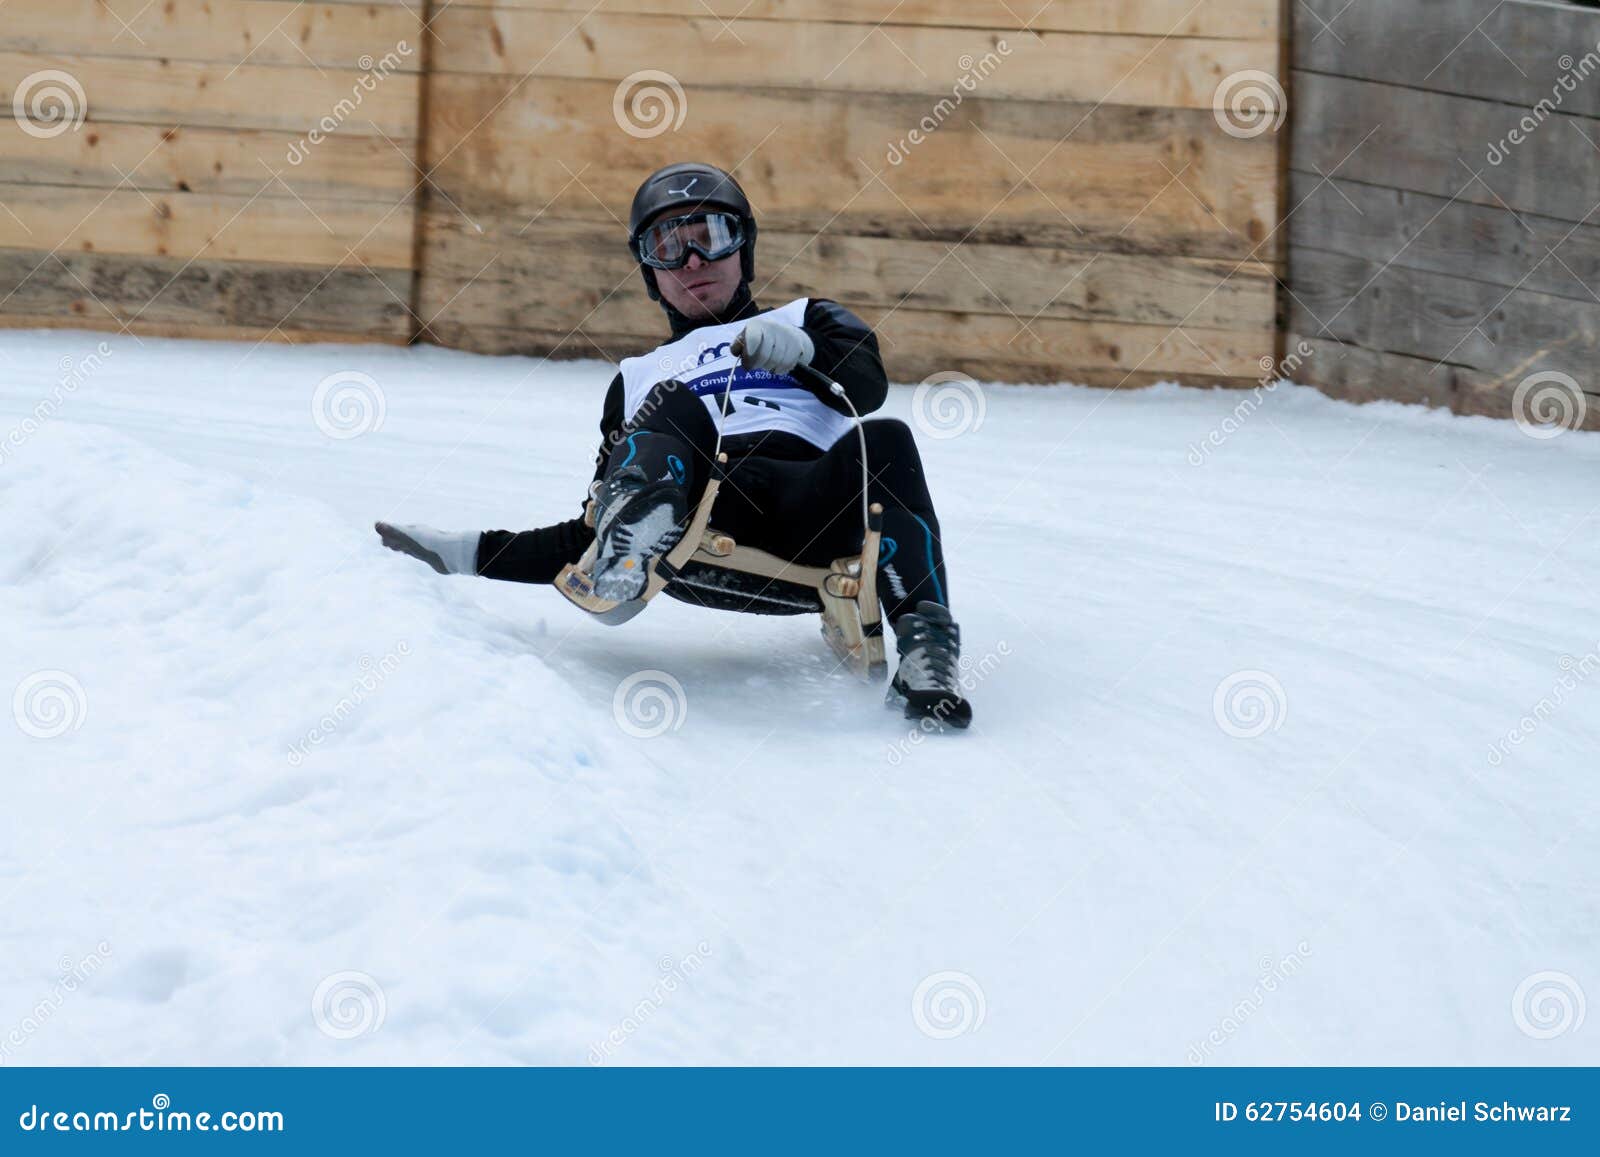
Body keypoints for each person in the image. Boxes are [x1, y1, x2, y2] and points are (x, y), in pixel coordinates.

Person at [376, 162, 971, 728]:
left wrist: (807, 352)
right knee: (673, 406)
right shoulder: (637, 379)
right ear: (650, 273)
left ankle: (928, 649)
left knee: (887, 438)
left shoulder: (805, 316)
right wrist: (466, 553)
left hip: (811, 506)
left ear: (744, 249)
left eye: (711, 235)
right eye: (667, 247)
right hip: (694, 521)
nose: (692, 260)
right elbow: (588, 531)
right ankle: (633, 550)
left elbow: (867, 387)